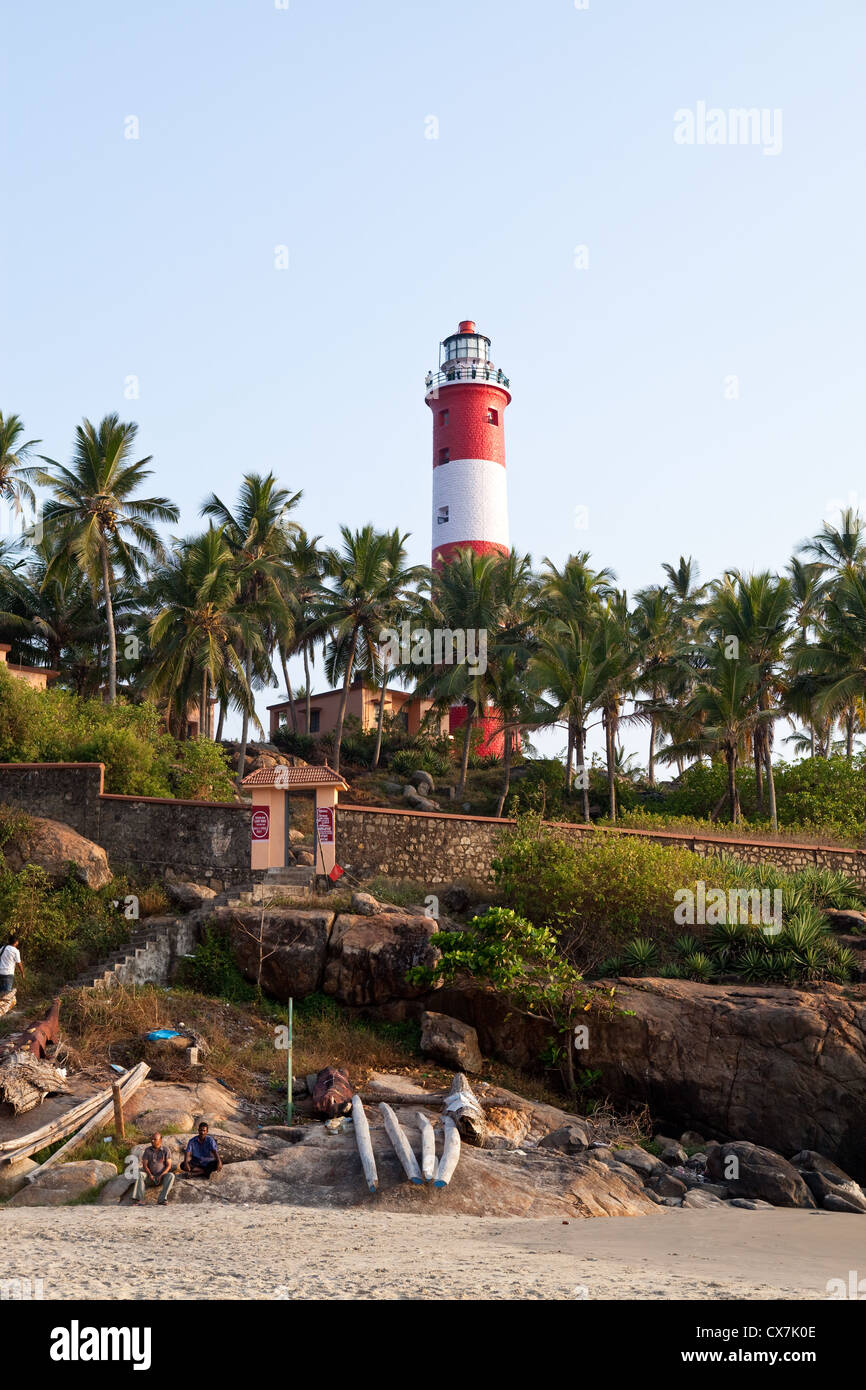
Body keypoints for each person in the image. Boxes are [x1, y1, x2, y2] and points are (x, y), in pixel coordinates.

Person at [132, 1131, 175, 1205]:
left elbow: (169, 1165)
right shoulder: (148, 1150)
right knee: (140, 1174)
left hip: (162, 1177)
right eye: (152, 1139)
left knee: (171, 1175)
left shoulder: (165, 1150)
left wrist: (161, 1175)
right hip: (150, 1177)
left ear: (160, 1140)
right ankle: (140, 1200)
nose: (152, 1141)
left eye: (155, 1139)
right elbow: (145, 1165)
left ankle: (162, 1199)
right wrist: (150, 1174)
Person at [0, 935, 24, 1018]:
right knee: (7, 994)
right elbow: (19, 963)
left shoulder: (2, 948)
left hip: (0, 972)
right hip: (8, 974)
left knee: (1, 993)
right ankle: (4, 1013)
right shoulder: (15, 951)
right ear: (16, 942)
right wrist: (22, 973)